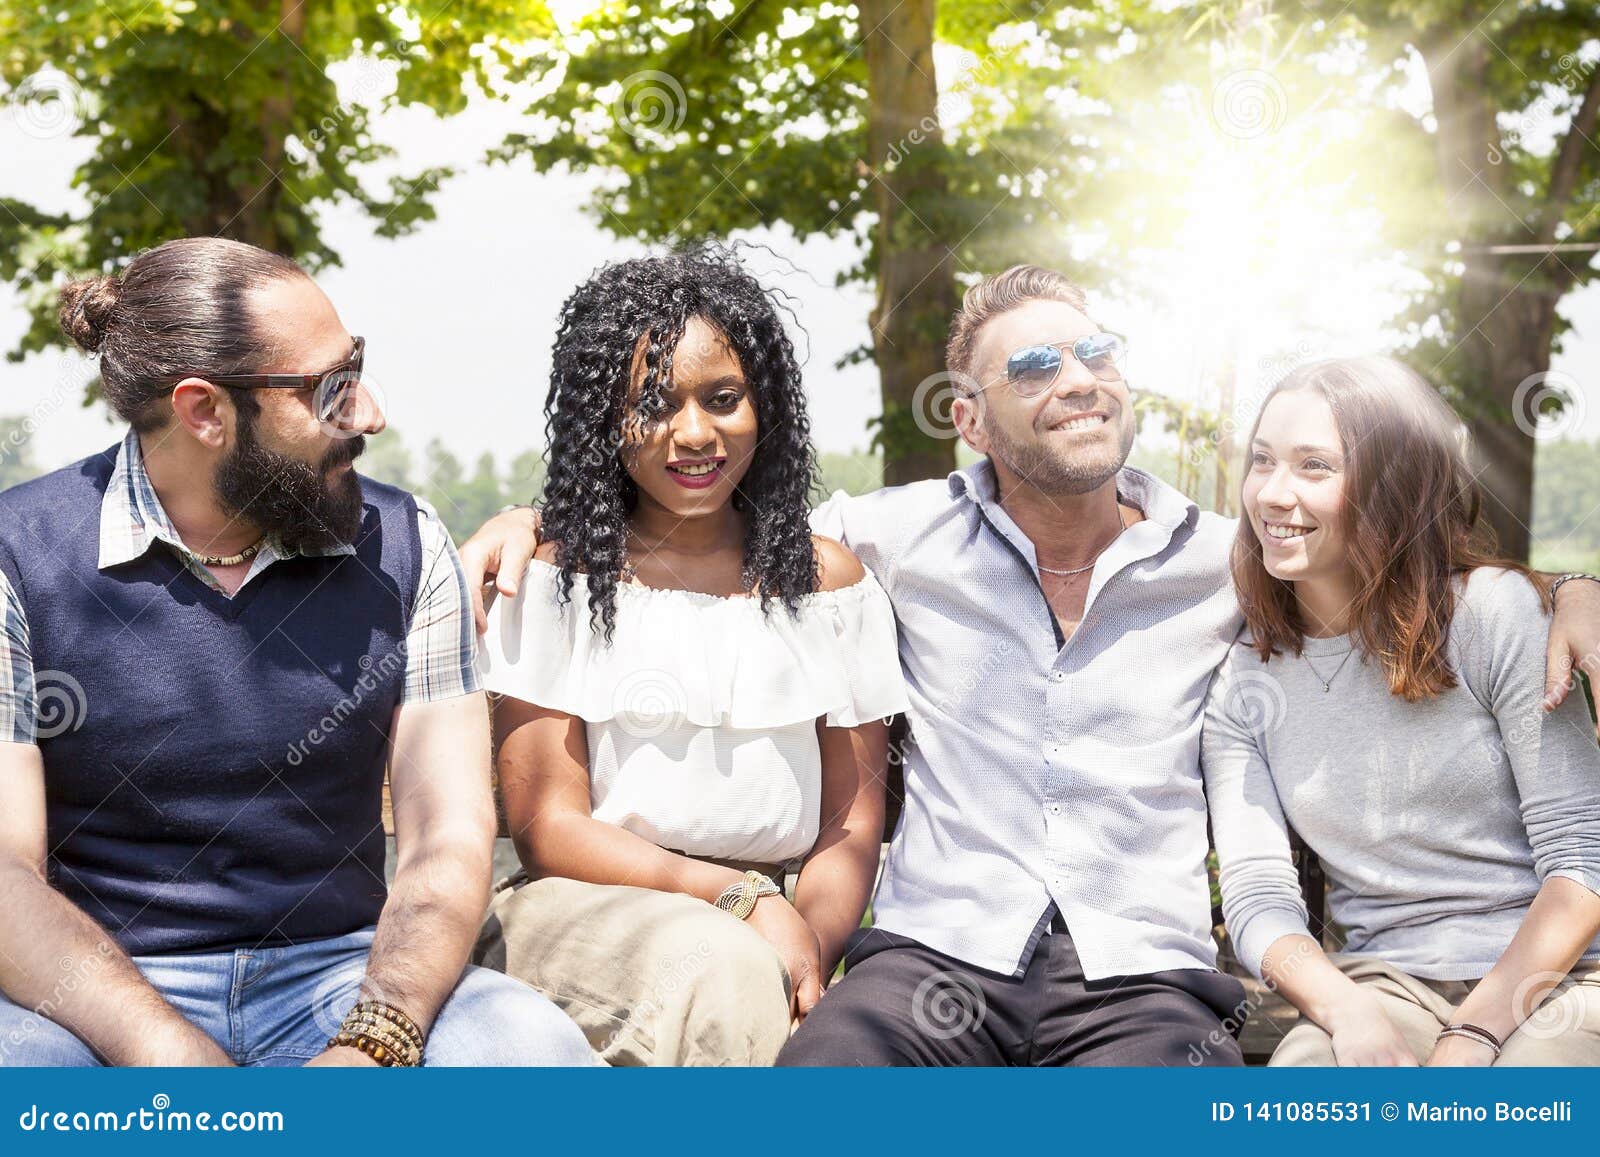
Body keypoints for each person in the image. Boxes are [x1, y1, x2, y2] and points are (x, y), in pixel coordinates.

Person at [458, 265, 1600, 1066]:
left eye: (1095, 353)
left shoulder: (1230, 560)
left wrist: (1570, 590)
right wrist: (530, 517)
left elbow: (1405, 572)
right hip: (931, 957)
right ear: (968, 414)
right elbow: (699, 520)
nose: (1079, 378)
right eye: (1036, 364)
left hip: (1143, 979)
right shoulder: (888, 541)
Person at [0, 237, 595, 1067]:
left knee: (527, 1053)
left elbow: (445, 835)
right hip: (84, 996)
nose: (370, 414)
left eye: (356, 368)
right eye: (329, 390)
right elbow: (6, 877)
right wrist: (165, 1049)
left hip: (346, 973)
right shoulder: (15, 556)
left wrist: (375, 1038)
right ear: (204, 410)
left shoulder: (407, 544)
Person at [471, 246, 906, 1065]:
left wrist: (803, 946)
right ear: (605, 417)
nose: (695, 433)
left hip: (770, 923)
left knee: (759, 989)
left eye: (724, 398)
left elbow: (852, 821)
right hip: (588, 909)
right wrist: (739, 901)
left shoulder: (828, 586)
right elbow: (548, 826)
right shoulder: (559, 578)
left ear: (765, 405)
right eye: (654, 404)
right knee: (730, 975)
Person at [1202, 356, 1600, 1066]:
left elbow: (1584, 859)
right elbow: (1258, 893)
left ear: (1392, 488)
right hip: (1384, 983)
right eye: (1262, 461)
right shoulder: (1242, 680)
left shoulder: (1491, 616)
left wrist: (1475, 1030)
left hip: (1556, 977)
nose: (1273, 491)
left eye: (1315, 466)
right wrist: (1346, 1009)